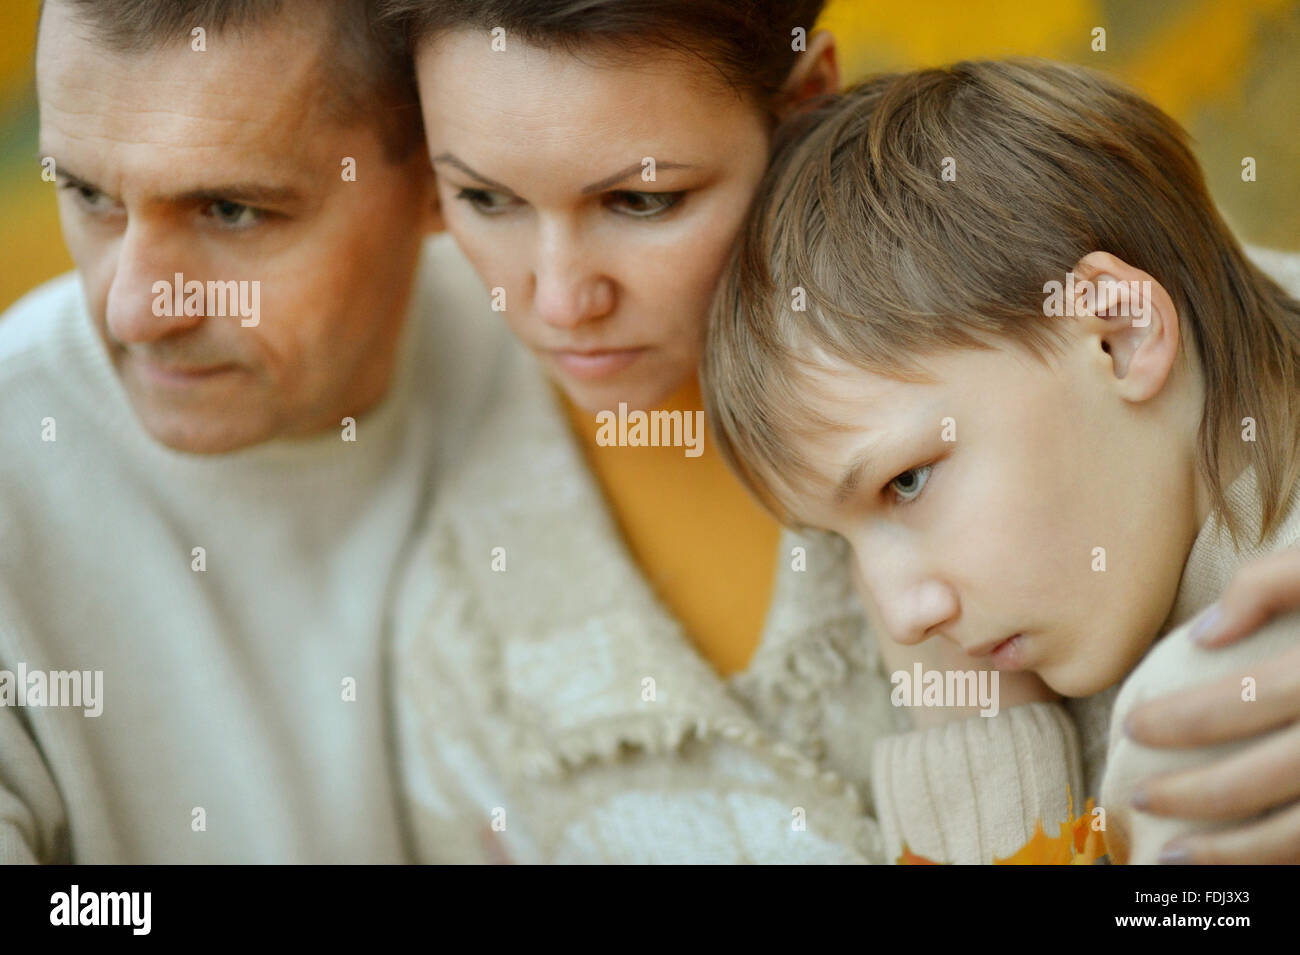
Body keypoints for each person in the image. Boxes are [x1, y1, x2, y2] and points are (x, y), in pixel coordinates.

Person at [384, 1, 1300, 863]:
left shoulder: (1208, 678)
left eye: (643, 199)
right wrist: (978, 725)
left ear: (803, 99)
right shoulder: (460, 626)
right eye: (484, 198)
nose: (558, 300)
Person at [701, 59, 1300, 863]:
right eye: (840, 543)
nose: (904, 620)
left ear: (1119, 334)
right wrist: (986, 729)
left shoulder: (1225, 714)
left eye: (906, 481)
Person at [0, 0, 508, 863]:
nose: (132, 309)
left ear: (438, 180)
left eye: (230, 210)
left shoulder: (564, 342)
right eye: (87, 194)